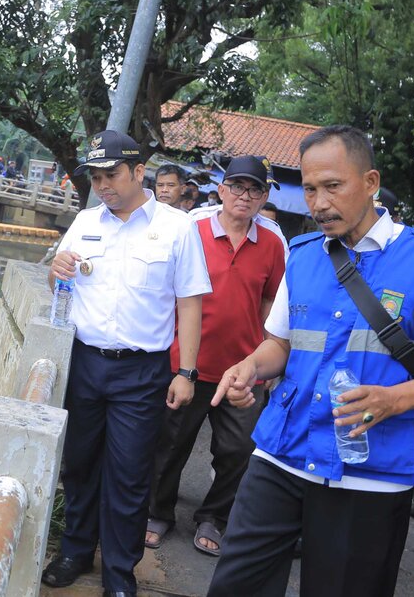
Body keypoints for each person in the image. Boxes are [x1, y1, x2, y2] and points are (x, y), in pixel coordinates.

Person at [207, 125, 414, 597]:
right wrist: (250, 368)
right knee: (235, 585)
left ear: (371, 182)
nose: (318, 203)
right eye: (311, 188)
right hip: (283, 452)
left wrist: (394, 400)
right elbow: (280, 343)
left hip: (370, 472)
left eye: (332, 186)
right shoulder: (301, 256)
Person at [44, 130, 211, 597]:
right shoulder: (84, 222)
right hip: (85, 363)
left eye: (111, 174)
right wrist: (54, 272)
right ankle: (76, 551)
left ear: (140, 172)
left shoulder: (177, 228)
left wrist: (186, 371)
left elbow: (191, 305)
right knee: (78, 465)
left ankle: (119, 572)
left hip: (142, 373)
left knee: (129, 474)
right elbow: (59, 288)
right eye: (95, 177)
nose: (103, 185)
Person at [146, 155, 286, 556]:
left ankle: (214, 517)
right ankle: (158, 511)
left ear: (263, 198)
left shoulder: (274, 243)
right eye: (237, 187)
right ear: (221, 190)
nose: (244, 196)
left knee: (238, 449)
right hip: (187, 364)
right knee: (170, 442)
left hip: (243, 369)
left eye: (254, 189)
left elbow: (271, 302)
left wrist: (263, 358)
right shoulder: (191, 229)